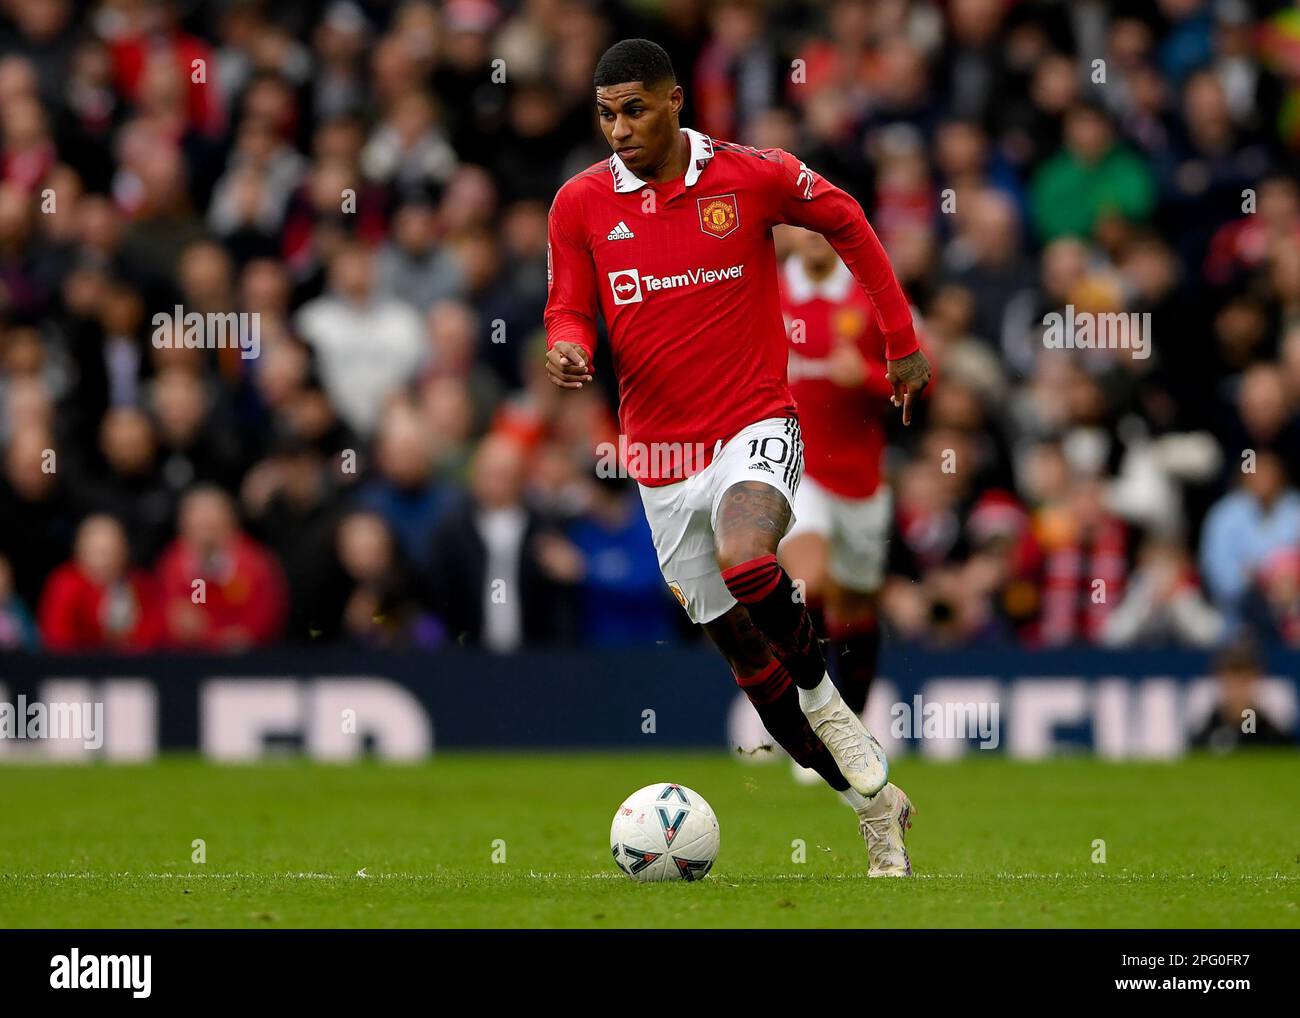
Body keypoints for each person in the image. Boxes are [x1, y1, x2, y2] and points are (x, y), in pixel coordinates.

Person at [543, 39, 930, 876]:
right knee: (762, 687)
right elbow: (567, 308)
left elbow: (847, 219)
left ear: (676, 100)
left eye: (635, 109)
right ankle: (873, 804)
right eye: (606, 114)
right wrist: (568, 347)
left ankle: (830, 704)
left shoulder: (751, 176)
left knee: (749, 556)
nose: (619, 129)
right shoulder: (577, 205)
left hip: (755, 425)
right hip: (660, 460)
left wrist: (900, 340)